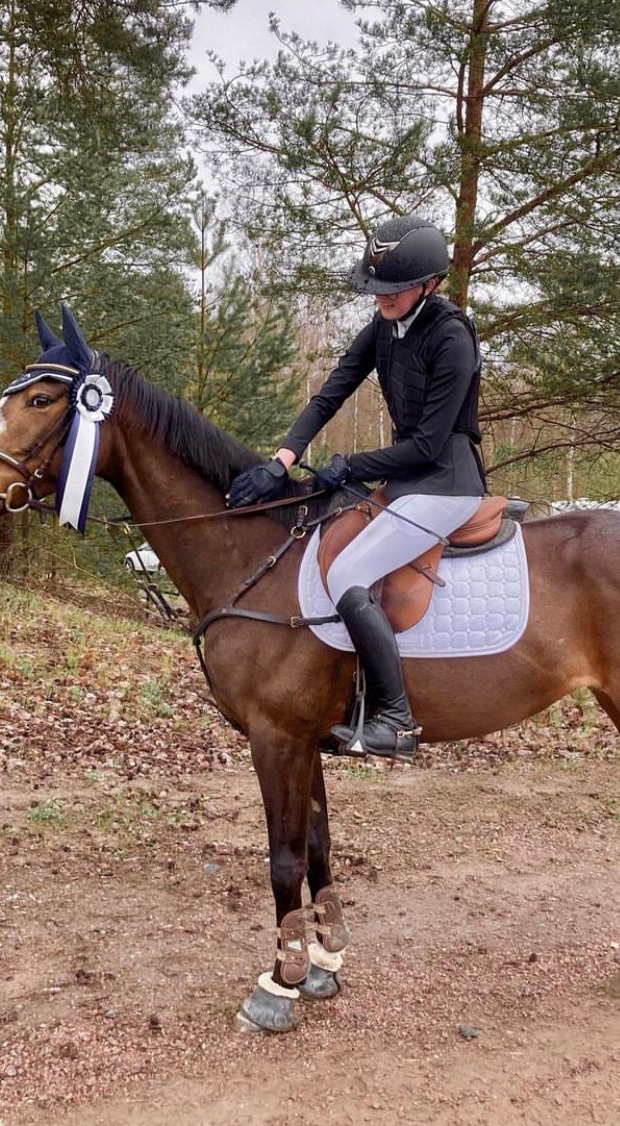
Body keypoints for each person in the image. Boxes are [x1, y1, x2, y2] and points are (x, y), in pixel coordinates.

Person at [226, 216, 485, 762]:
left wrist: (349, 465)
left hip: (446, 484)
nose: (382, 299)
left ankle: (397, 717)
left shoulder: (451, 337)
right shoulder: (385, 328)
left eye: (393, 290)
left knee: (348, 572)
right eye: (376, 289)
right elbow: (331, 394)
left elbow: (430, 445)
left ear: (429, 285)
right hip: (406, 482)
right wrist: (283, 459)